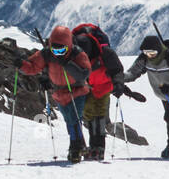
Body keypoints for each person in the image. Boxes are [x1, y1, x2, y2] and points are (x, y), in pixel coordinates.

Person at [19, 26, 93, 163]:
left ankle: (75, 148)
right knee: (70, 120)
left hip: (76, 91)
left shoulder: (77, 54)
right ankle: (79, 145)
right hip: (59, 93)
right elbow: (33, 67)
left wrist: (67, 64)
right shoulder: (47, 54)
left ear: (69, 45)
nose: (58, 53)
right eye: (55, 50)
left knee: (74, 119)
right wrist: (20, 64)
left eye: (61, 50)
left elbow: (84, 73)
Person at [72, 23, 143, 161]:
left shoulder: (105, 53)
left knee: (97, 116)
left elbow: (116, 70)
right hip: (88, 87)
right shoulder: (80, 53)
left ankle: (97, 148)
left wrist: (118, 84)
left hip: (101, 87)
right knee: (90, 116)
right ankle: (96, 149)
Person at [123, 34, 169, 160]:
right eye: (146, 52)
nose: (149, 55)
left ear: (159, 49)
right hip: (163, 94)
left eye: (152, 52)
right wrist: (118, 77)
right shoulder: (144, 59)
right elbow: (132, 73)